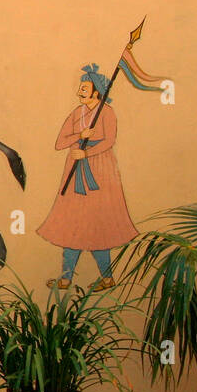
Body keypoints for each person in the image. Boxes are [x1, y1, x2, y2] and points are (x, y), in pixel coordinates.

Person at [36, 64, 139, 290]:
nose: (79, 92)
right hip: (74, 171)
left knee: (96, 225)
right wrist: (79, 135)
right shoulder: (76, 114)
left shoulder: (106, 112)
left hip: (100, 172)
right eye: (80, 88)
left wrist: (87, 152)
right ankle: (66, 278)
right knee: (73, 224)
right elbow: (59, 143)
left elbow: (109, 140)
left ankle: (107, 277)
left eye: (84, 88)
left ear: (96, 92)